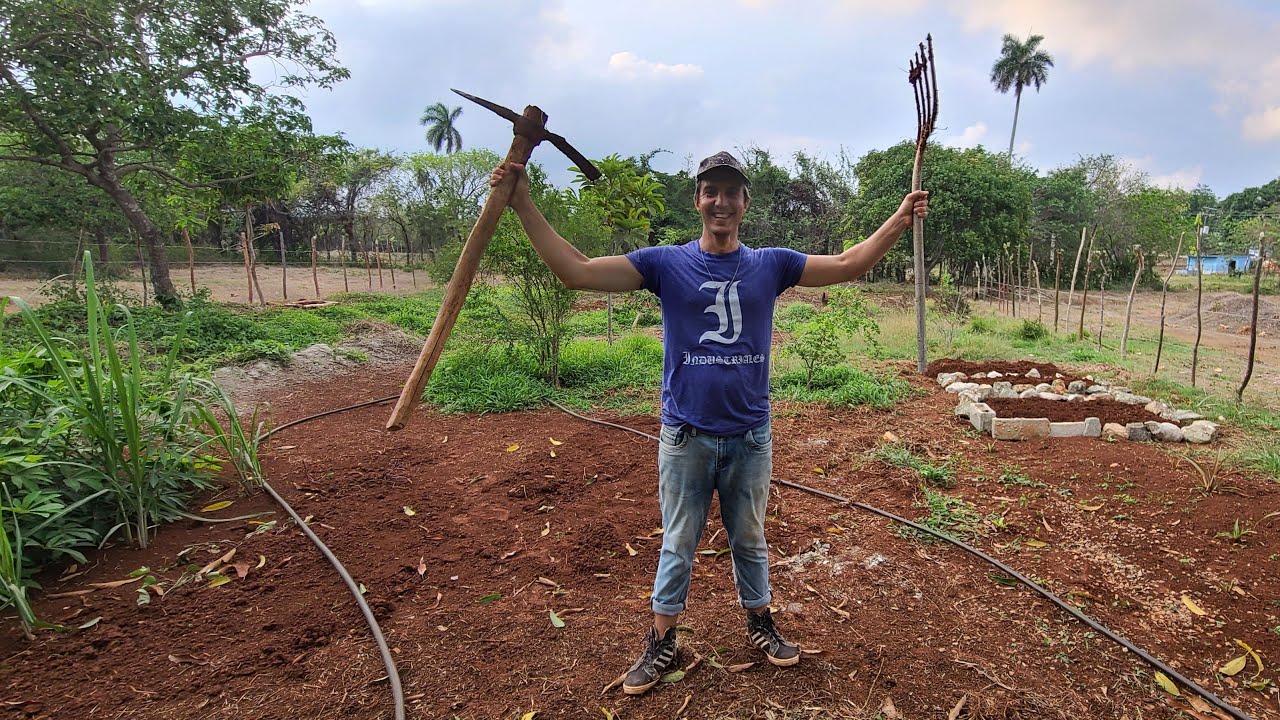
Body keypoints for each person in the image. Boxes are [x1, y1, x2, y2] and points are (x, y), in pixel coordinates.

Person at [491, 151, 928, 695]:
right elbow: (575, 271)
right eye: (710, 191)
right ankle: (661, 642)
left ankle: (761, 625)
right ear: (697, 200)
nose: (721, 201)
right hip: (686, 436)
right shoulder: (664, 264)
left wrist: (899, 217)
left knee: (750, 537)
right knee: (678, 541)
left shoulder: (772, 264)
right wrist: (523, 201)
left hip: (749, 435)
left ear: (745, 202)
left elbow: (846, 265)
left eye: (731, 192)